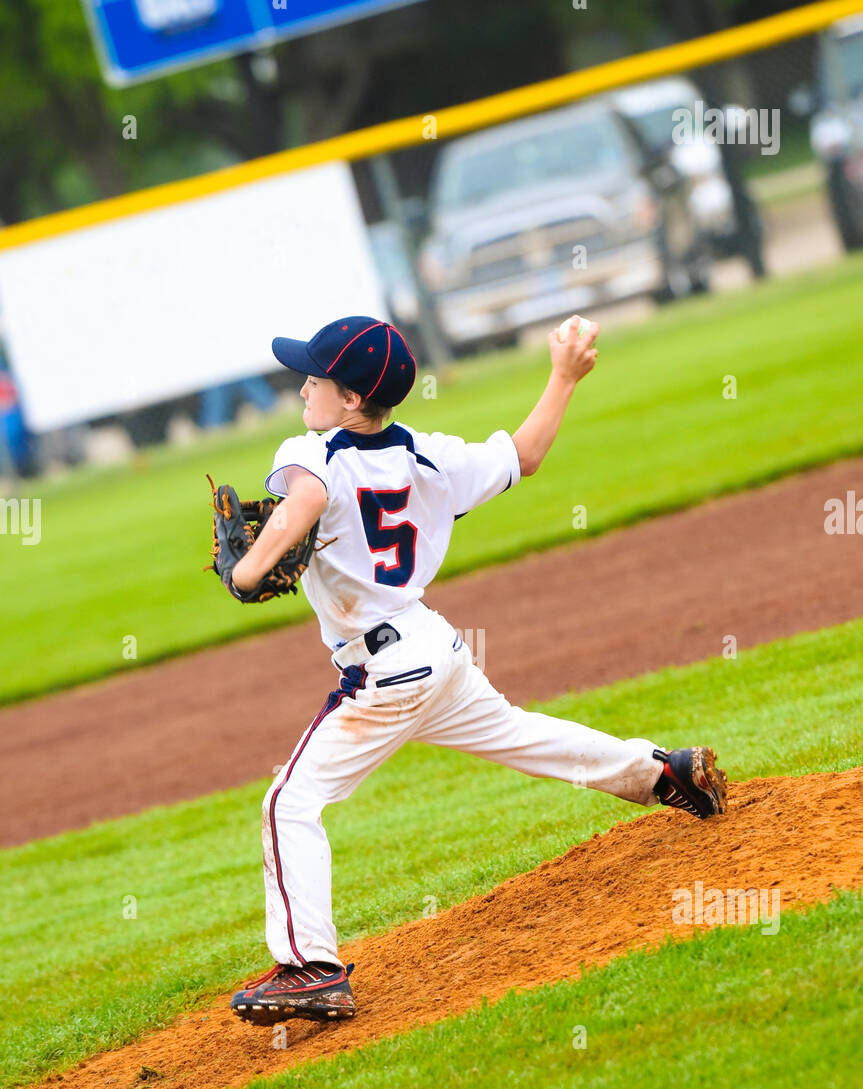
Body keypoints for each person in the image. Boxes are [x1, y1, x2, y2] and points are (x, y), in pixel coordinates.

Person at [227, 316, 727, 1025]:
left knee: (288, 803)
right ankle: (660, 773)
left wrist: (247, 574)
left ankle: (311, 968)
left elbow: (304, 500)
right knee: (519, 735)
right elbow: (523, 457)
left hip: (386, 669)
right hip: (435, 651)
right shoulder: (430, 456)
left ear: (348, 401)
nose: (303, 384)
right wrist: (563, 376)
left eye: (316, 376)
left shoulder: (312, 452)